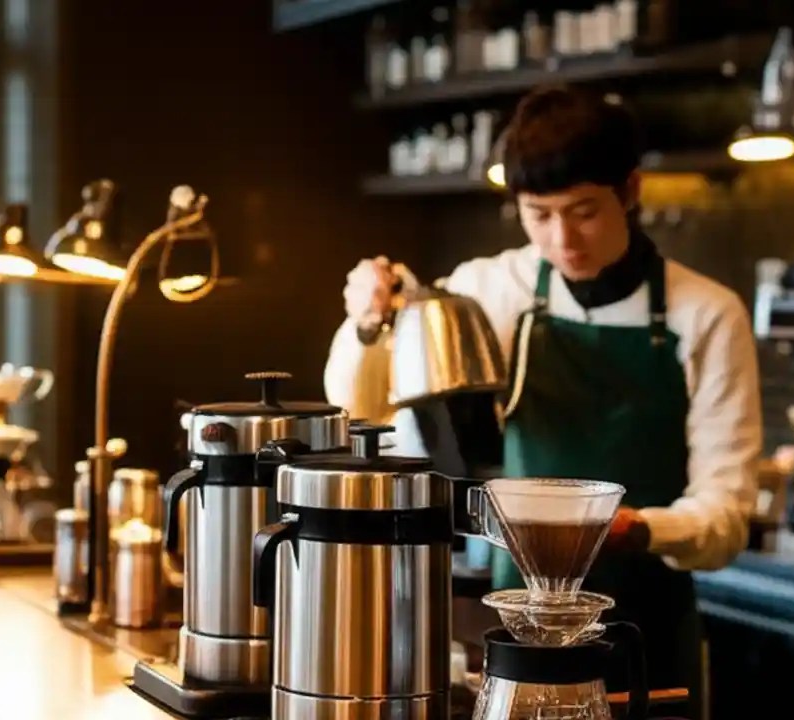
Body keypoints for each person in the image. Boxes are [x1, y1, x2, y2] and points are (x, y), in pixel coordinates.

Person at [324, 84, 761, 717]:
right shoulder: (490, 290)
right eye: (538, 215)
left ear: (631, 191)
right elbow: (365, 407)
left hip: (650, 641)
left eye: (583, 211)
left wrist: (635, 528)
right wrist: (369, 321)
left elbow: (725, 520)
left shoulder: (708, 315)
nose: (562, 240)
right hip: (520, 638)